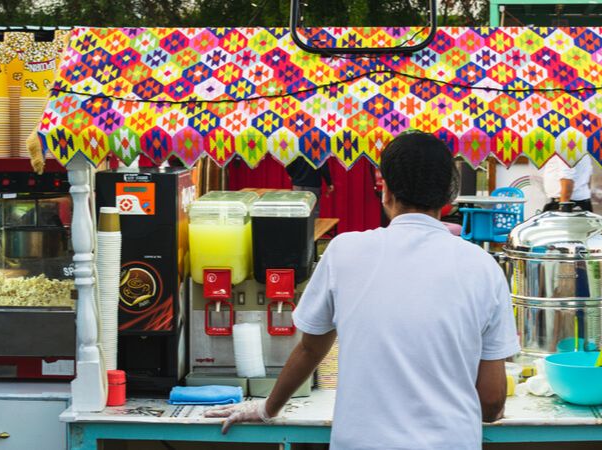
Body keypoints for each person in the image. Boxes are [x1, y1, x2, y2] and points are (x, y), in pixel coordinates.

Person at [206, 131, 520, 449]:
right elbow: (491, 402)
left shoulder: (344, 252)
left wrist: (267, 408)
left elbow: (310, 350)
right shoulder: (483, 268)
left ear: (386, 192)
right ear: (448, 198)